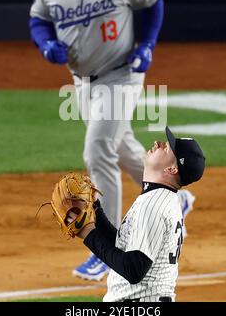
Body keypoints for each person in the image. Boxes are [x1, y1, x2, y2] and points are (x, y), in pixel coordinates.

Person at [29, 0, 195, 281]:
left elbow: (154, 1)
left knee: (97, 149)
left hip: (121, 75)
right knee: (119, 147)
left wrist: (147, 45)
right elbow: (38, 19)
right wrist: (45, 44)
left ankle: (113, 246)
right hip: (83, 81)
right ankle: (177, 196)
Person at [67, 127, 205, 302]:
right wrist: (95, 208)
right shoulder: (159, 197)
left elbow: (133, 270)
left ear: (172, 169)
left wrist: (88, 234)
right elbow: (124, 247)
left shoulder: (154, 204)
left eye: (167, 148)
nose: (158, 143)